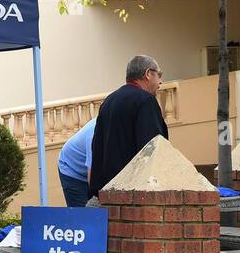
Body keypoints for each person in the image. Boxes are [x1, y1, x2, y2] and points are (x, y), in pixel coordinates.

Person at [89, 55, 168, 199]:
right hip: (132, 193)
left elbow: (97, 146)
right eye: (159, 75)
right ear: (148, 74)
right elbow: (152, 147)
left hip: (107, 191)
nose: (160, 82)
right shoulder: (145, 101)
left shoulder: (109, 100)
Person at [57, 118, 95, 208]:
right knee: (83, 215)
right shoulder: (93, 136)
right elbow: (92, 175)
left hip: (84, 167)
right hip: (70, 169)